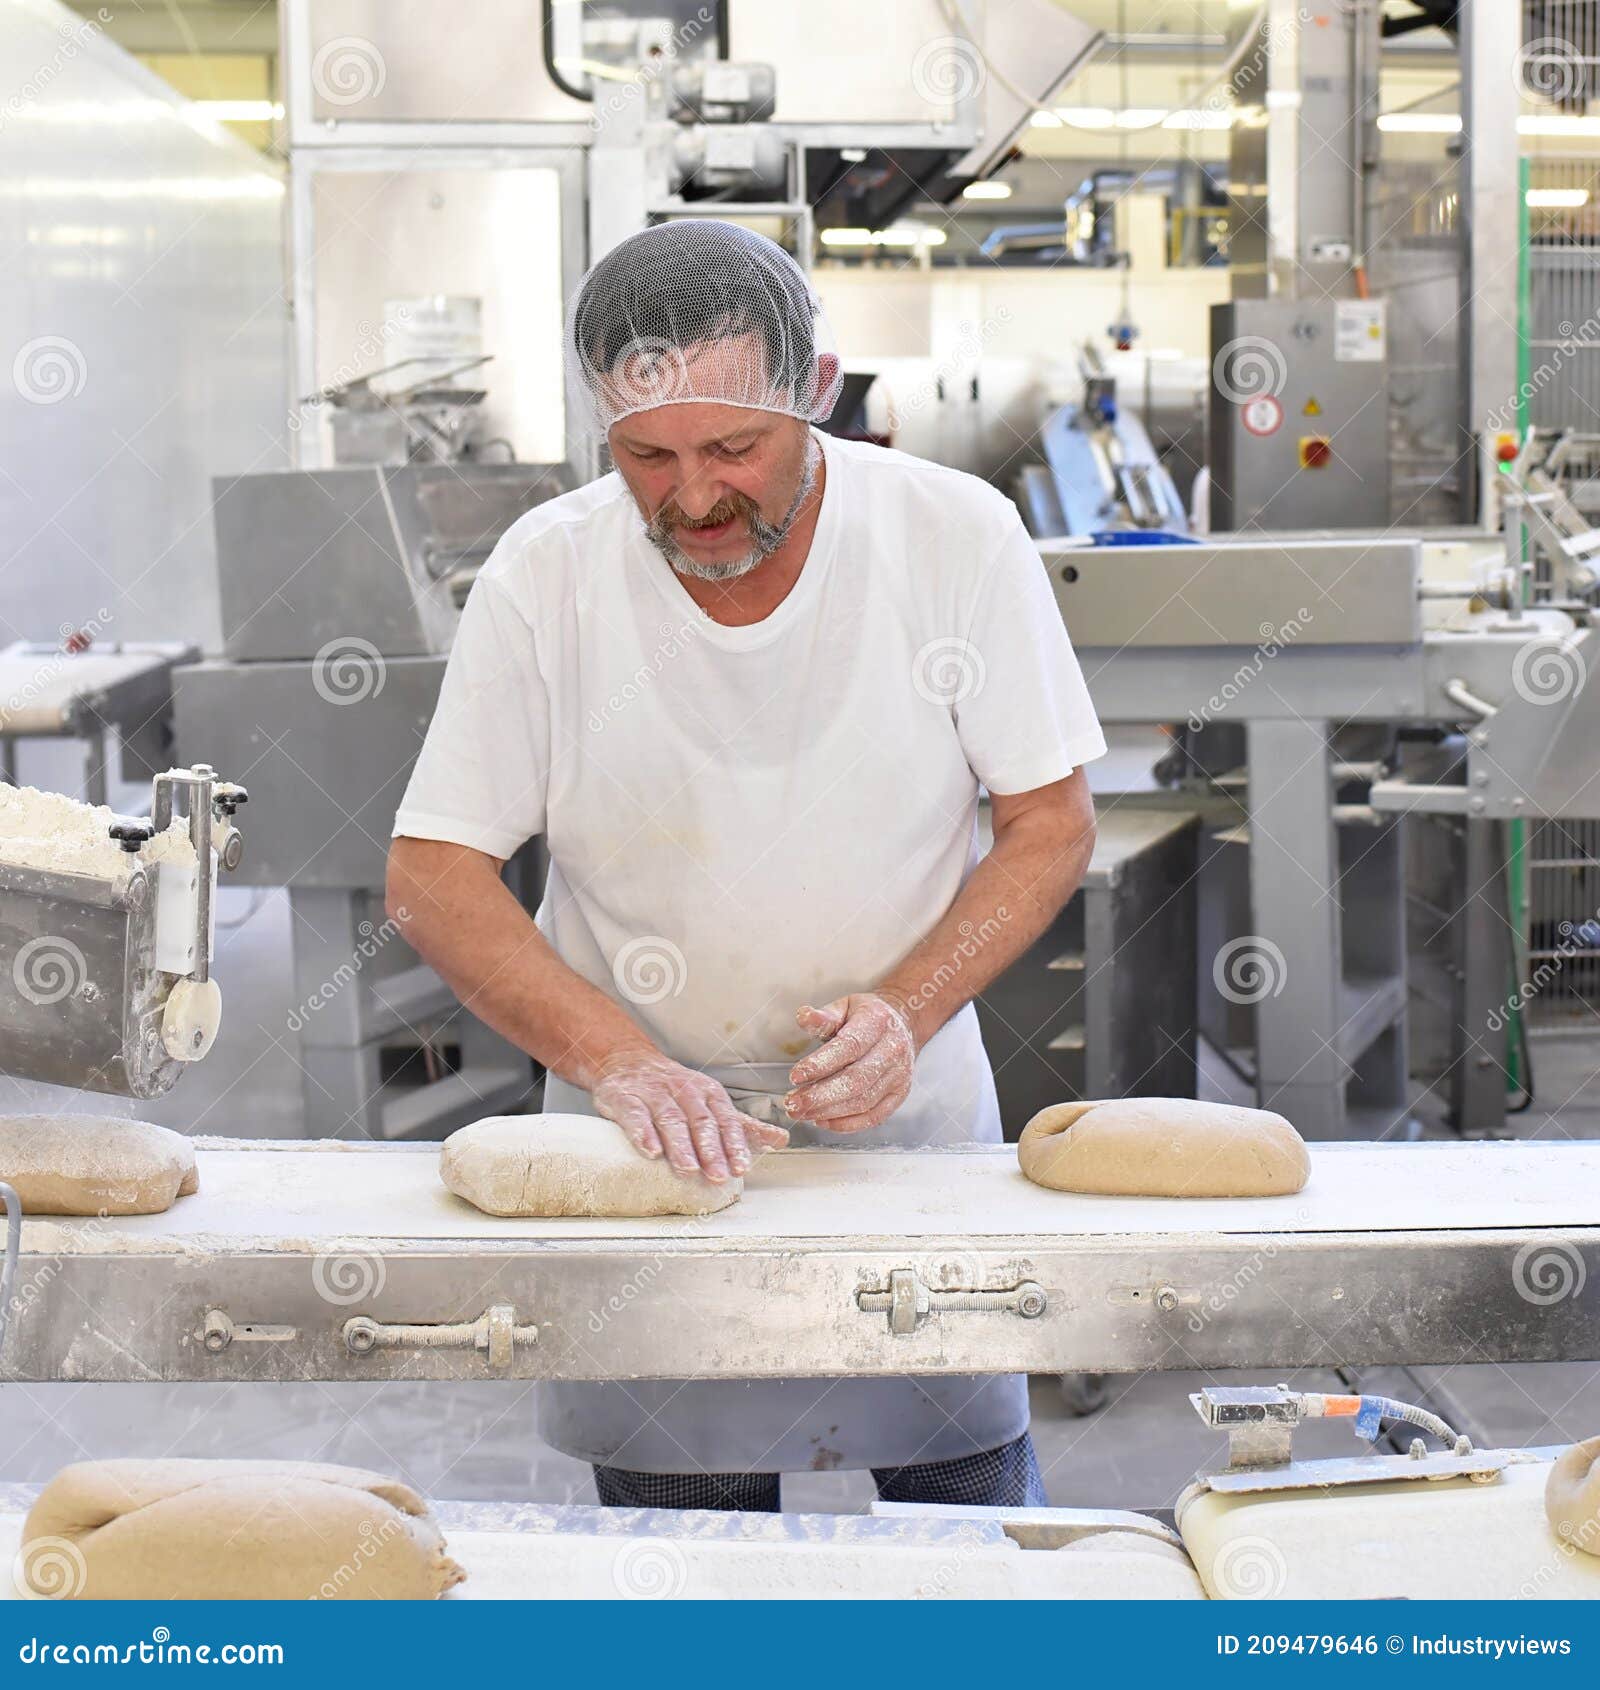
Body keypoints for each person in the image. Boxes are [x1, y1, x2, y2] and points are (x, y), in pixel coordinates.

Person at [387, 219, 1105, 1512]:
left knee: (976, 1545)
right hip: (647, 1155)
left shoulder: (954, 536)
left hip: (906, 1139)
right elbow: (434, 874)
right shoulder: (546, 576)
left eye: (734, 447)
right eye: (646, 455)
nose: (694, 495)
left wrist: (907, 1008)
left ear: (816, 393)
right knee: (681, 1558)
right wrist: (617, 1057)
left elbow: (1049, 820)